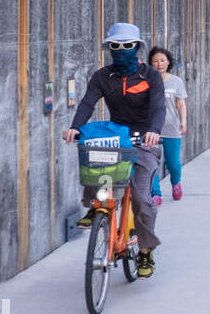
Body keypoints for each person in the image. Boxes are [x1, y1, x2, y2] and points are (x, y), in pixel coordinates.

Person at [62, 22, 164, 279]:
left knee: (141, 199)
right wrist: (75, 127)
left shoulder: (150, 75)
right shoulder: (102, 76)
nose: (121, 50)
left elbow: (159, 107)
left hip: (144, 140)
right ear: (109, 48)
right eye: (115, 46)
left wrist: (154, 130)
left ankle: (144, 250)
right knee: (93, 154)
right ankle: (95, 207)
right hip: (117, 138)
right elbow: (87, 103)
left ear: (137, 48)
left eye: (127, 46)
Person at [147, 46, 187, 206]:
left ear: (168, 62)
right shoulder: (146, 81)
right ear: (151, 63)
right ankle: (155, 193)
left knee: (174, 164)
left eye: (162, 60)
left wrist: (183, 121)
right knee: (151, 164)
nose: (159, 64)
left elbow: (180, 103)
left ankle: (176, 182)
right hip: (151, 130)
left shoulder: (176, 81)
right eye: (155, 61)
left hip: (172, 128)